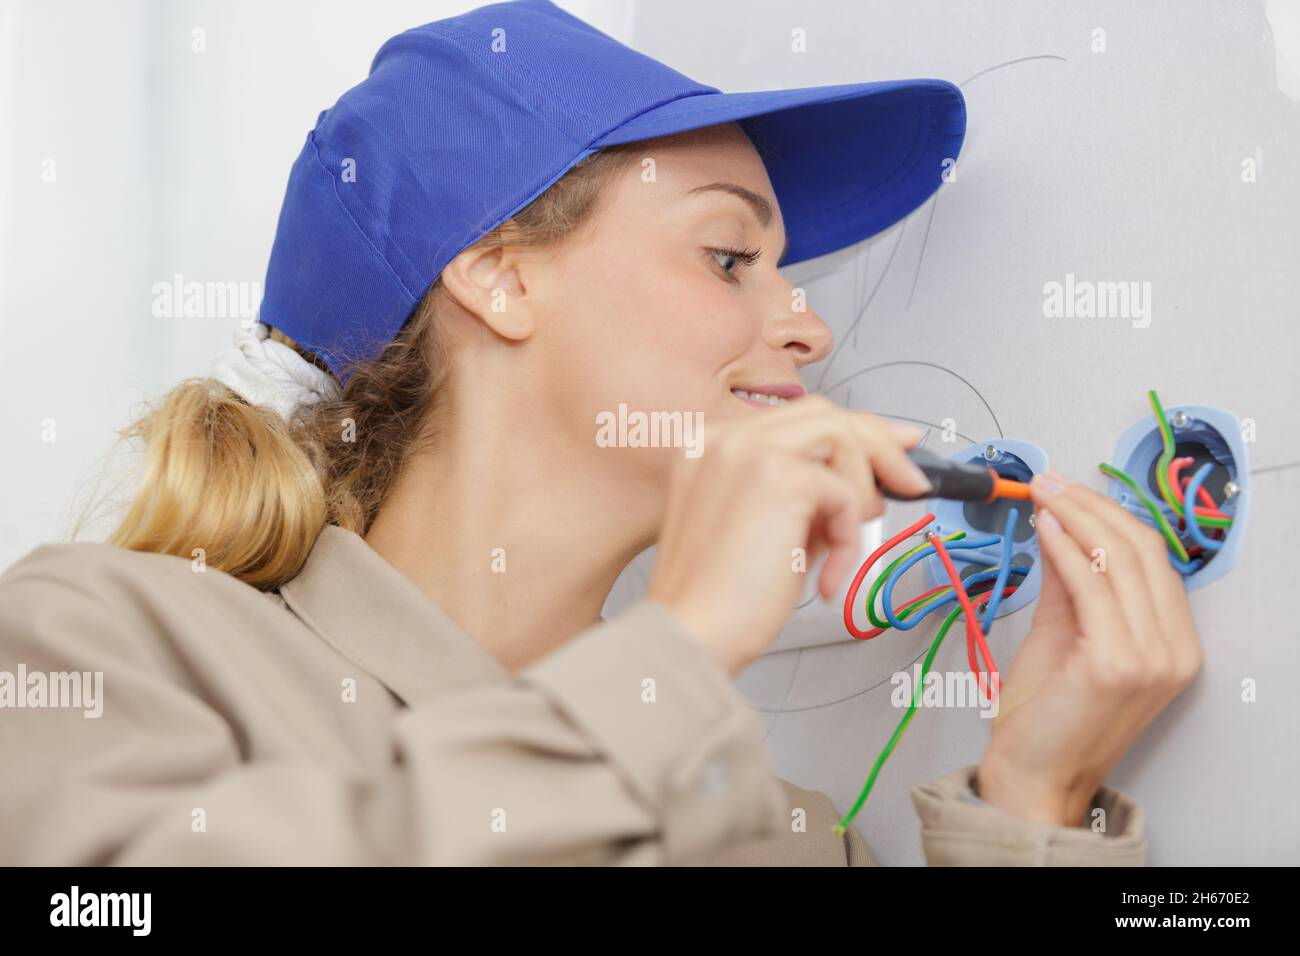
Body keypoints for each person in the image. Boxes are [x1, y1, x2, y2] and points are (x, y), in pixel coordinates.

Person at [0, 0, 1199, 865]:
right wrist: (677, 651)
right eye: (731, 254)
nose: (808, 329)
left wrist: (1032, 803)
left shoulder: (775, 838)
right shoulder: (103, 638)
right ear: (498, 278)